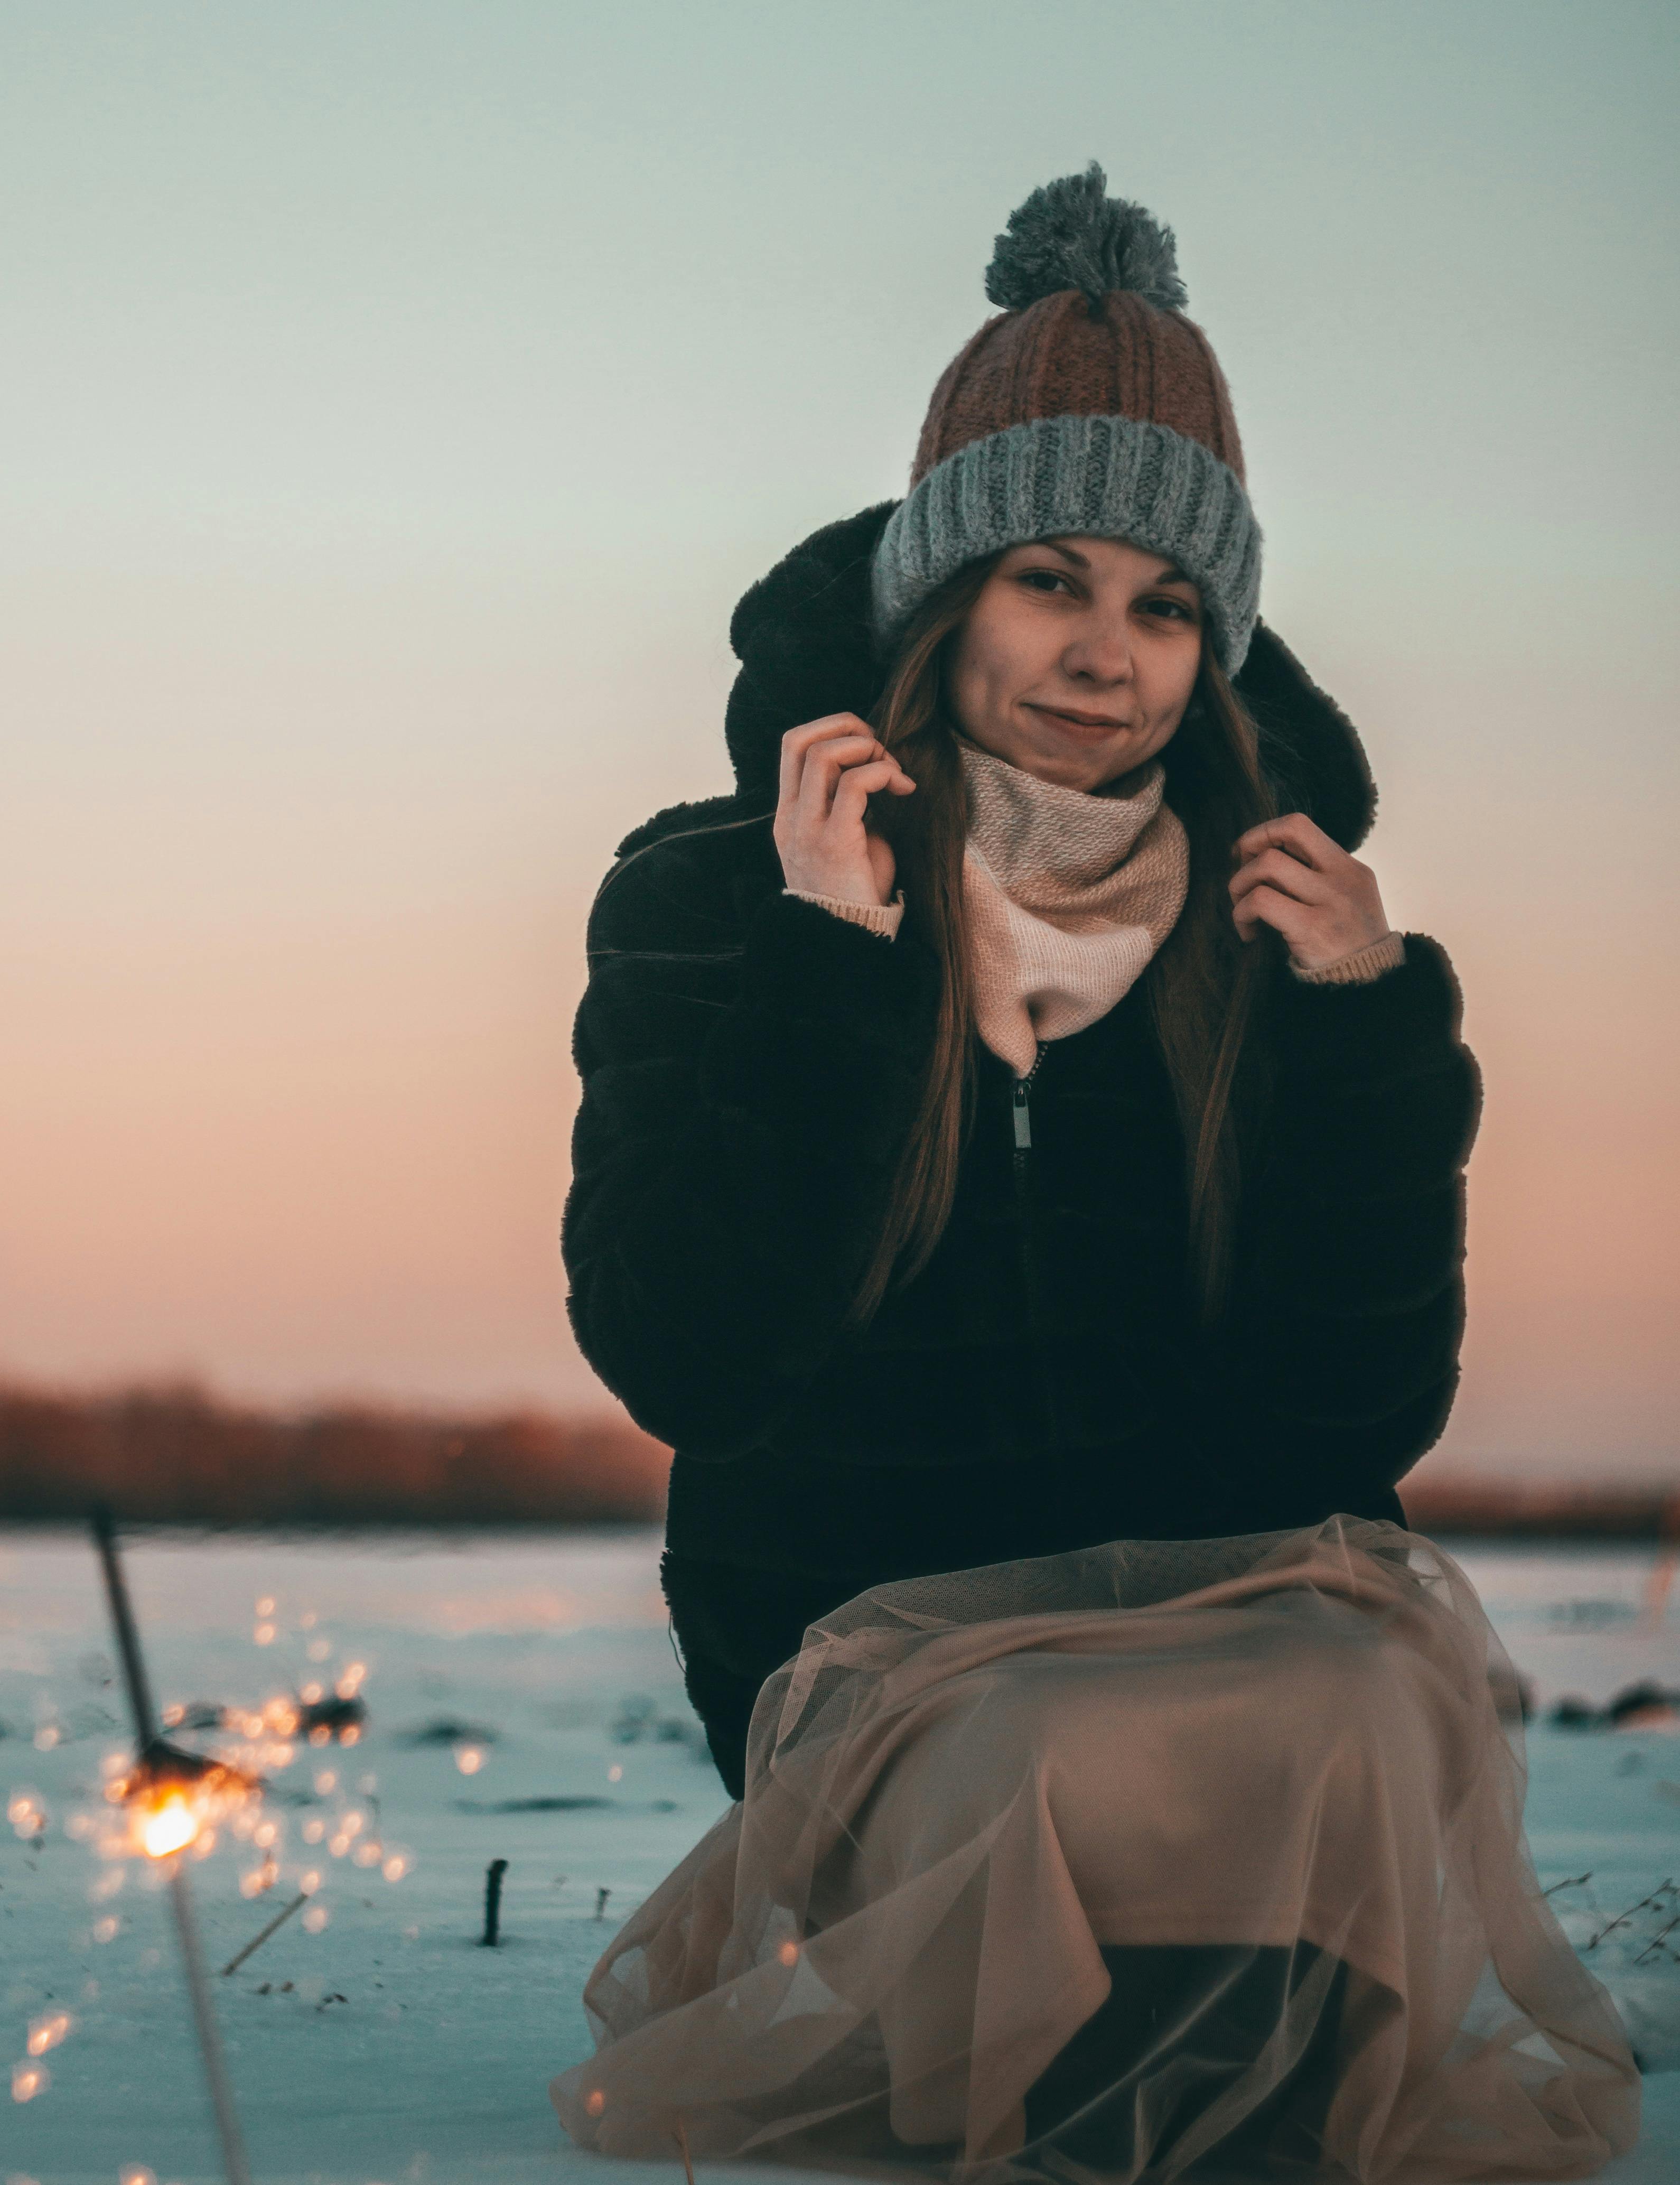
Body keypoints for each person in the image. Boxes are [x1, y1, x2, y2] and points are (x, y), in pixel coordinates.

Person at [550, 164, 1639, 2182]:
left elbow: (1351, 1420)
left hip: (1225, 1637)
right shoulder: (716, 895)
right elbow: (688, 1356)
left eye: (1162, 605)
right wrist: (828, 963)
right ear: (937, 593)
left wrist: (1363, 1038)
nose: (1101, 653)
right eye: (1046, 578)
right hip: (883, 1658)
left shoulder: (1275, 930)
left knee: (1356, 1693)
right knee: (1040, 1758)